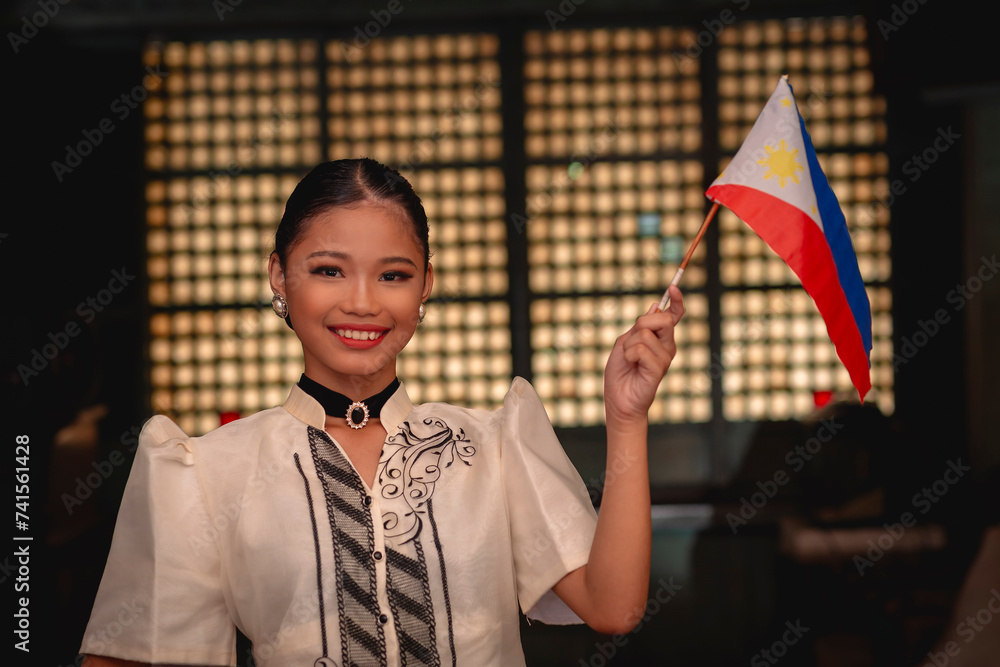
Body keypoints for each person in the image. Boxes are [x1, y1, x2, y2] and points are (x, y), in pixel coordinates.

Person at [79, 157, 685, 667]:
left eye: (393, 275)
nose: (363, 303)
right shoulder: (207, 472)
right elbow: (130, 654)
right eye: (328, 271)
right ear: (279, 276)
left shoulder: (495, 444)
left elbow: (613, 608)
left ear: (425, 286)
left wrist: (626, 419)